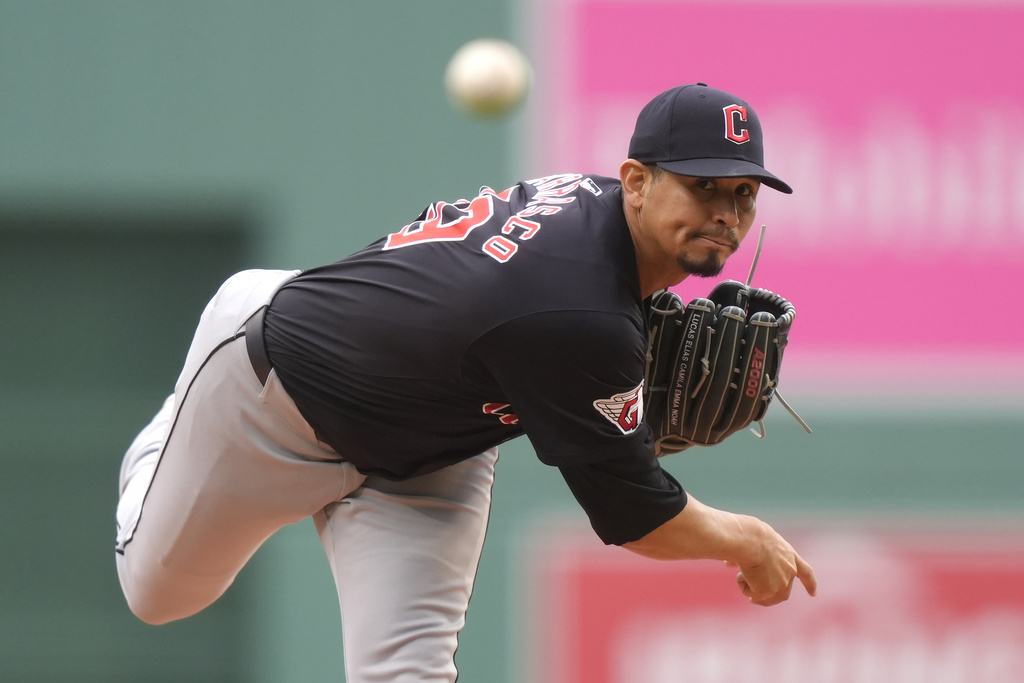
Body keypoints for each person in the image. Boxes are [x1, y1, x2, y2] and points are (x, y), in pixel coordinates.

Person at [115, 83, 816, 682]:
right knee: (159, 592)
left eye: (743, 193)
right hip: (276, 394)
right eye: (701, 186)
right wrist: (746, 540)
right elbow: (636, 518)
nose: (726, 212)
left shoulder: (596, 241)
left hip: (436, 442)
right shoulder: (579, 313)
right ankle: (171, 436)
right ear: (635, 180)